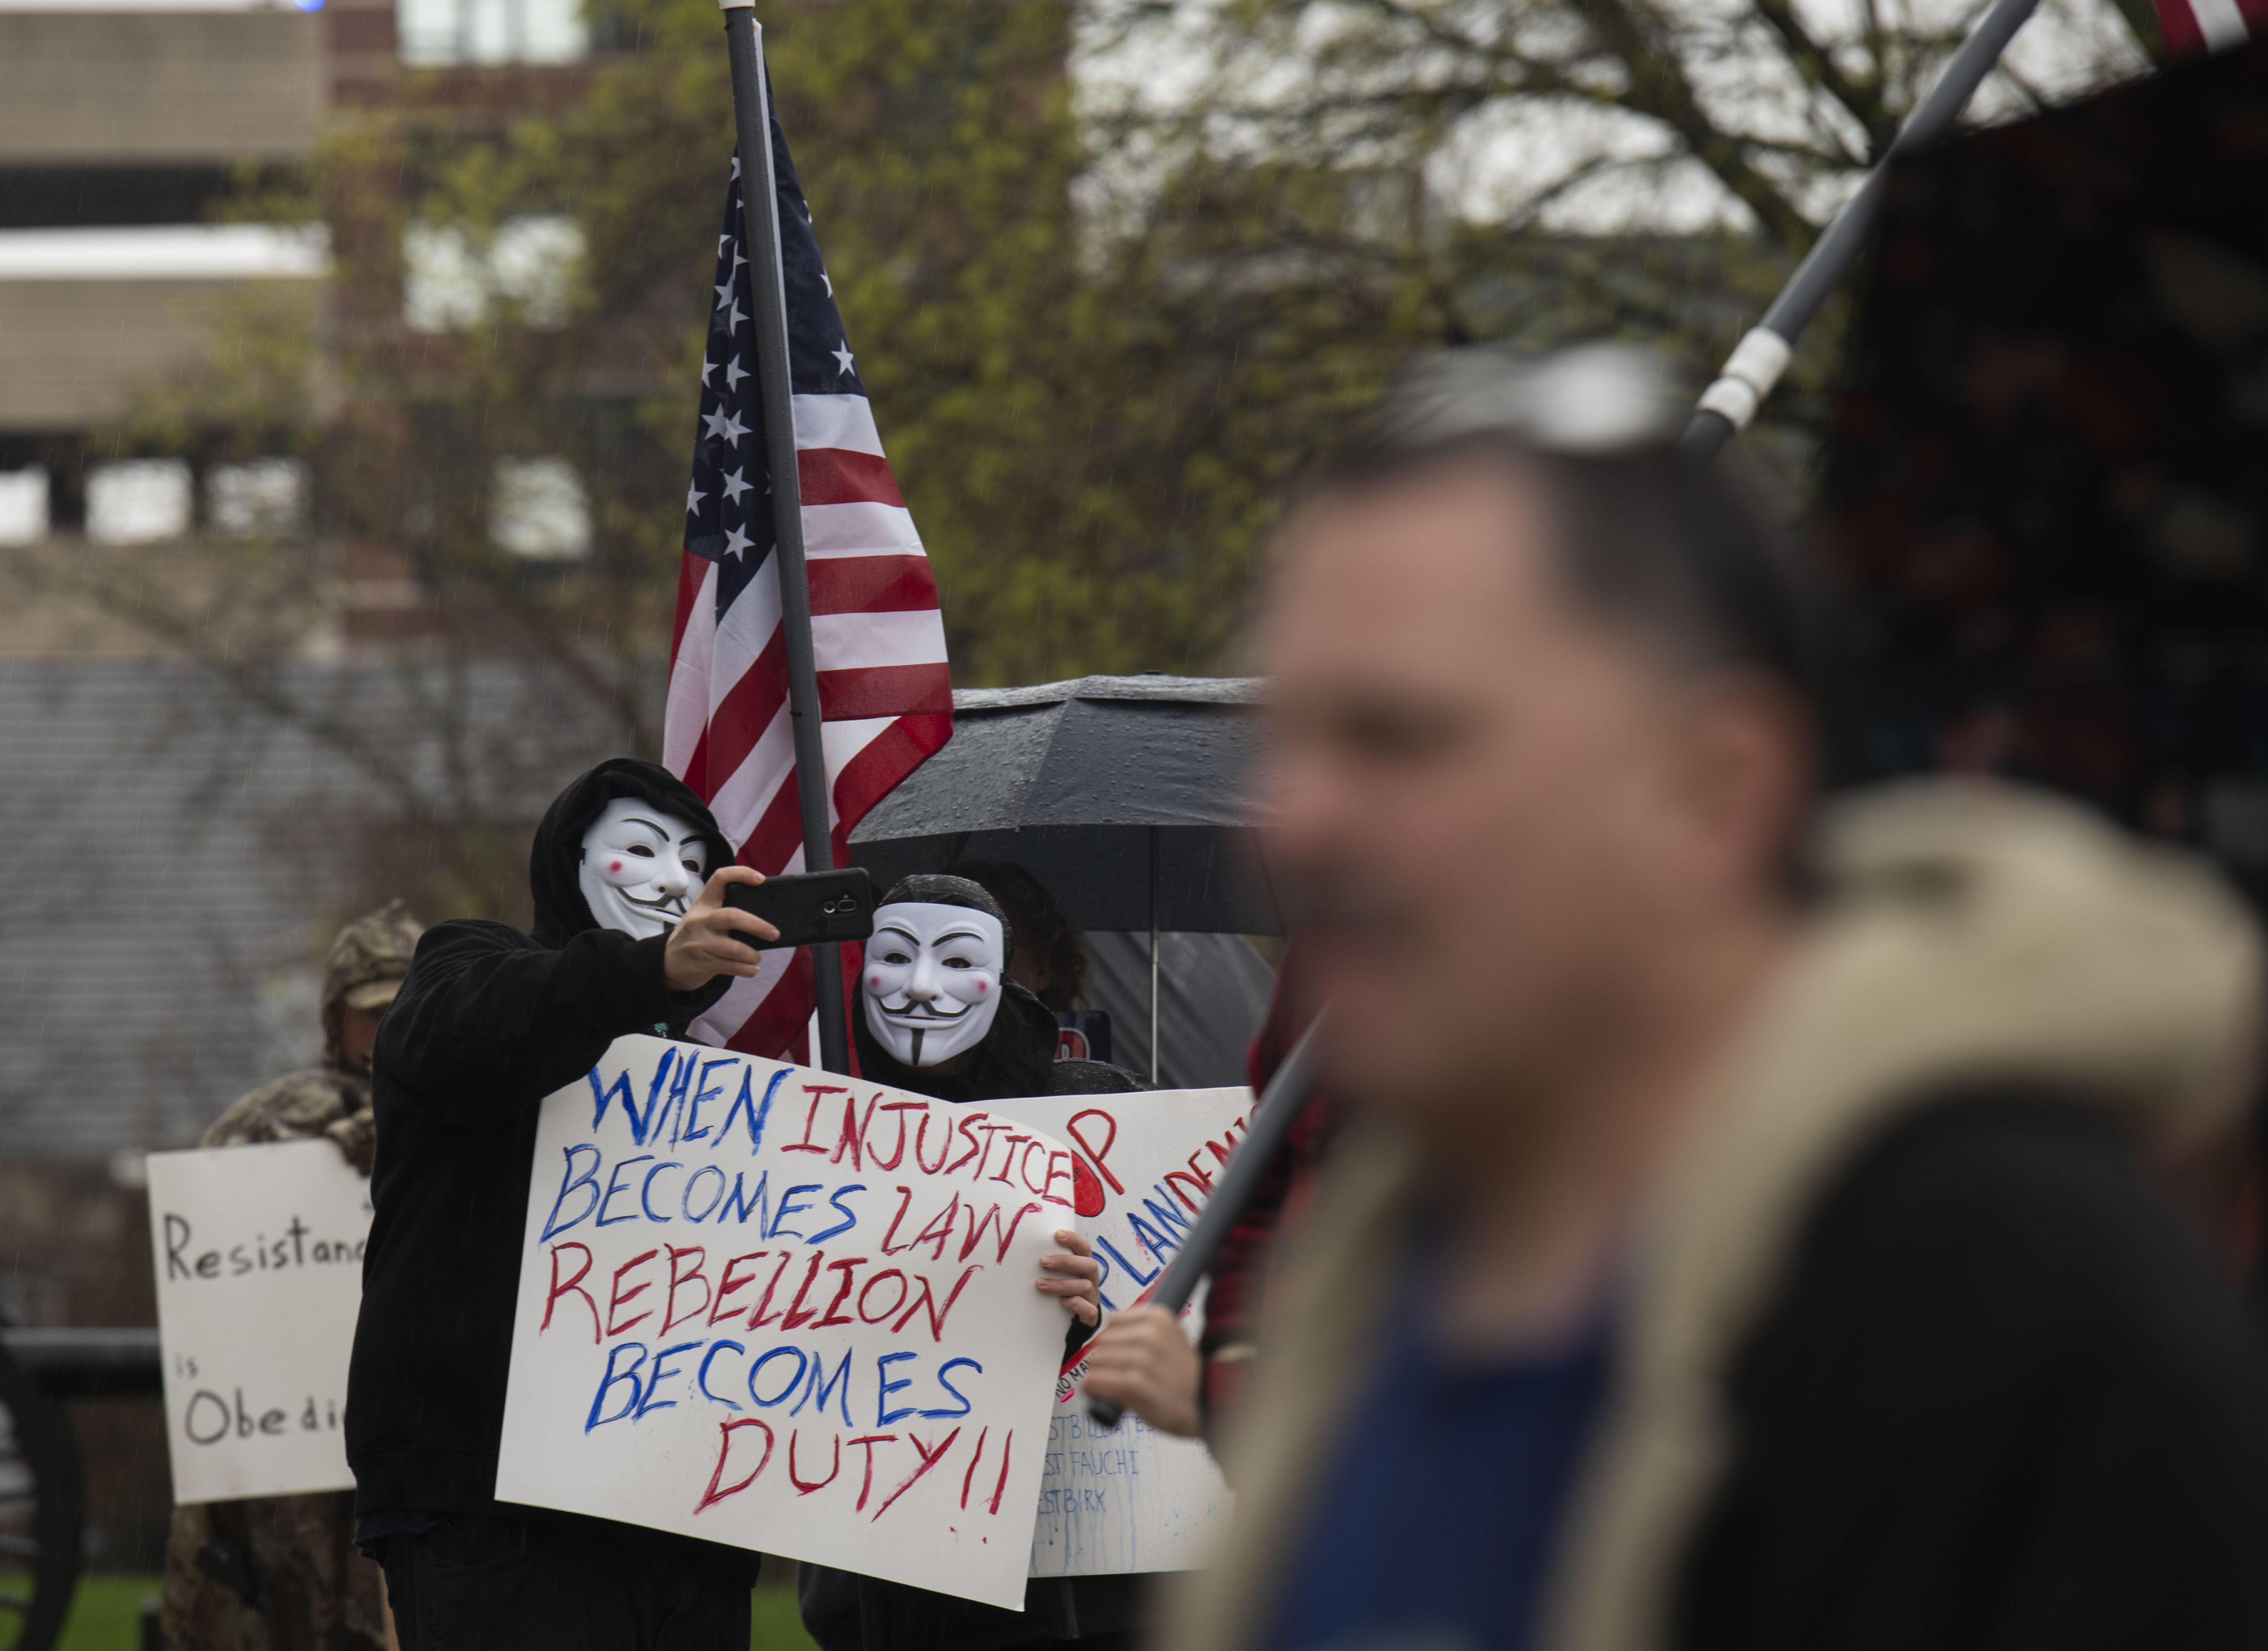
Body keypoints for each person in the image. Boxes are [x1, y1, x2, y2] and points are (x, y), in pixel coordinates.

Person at [1161, 345, 2268, 1651]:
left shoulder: (2007, 1313)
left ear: (1714, 789)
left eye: (1402, 736)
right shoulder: (1384, 1280)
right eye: (1288, 738)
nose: (1299, 821)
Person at [798, 873, 1145, 1651]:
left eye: (957, 960)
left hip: (1087, 1581)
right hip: (901, 1581)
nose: (922, 988)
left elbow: (1175, 1302)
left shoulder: (1098, 1111)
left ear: (1004, 974)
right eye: (896, 956)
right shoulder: (813, 1142)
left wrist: (1088, 1311)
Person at [162, 900, 424, 1651]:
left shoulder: (483, 1113)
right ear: (335, 1020)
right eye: (370, 1016)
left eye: (406, 1010)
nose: (385, 1034)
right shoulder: (261, 1131)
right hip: (289, 1459)